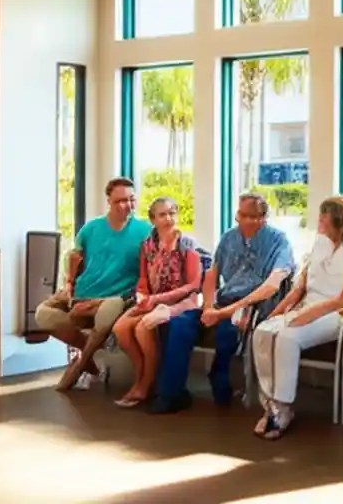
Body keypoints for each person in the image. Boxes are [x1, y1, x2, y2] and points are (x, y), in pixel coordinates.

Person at [149, 192, 294, 414]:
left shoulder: (278, 241)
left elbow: (272, 286)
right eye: (242, 215)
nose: (247, 221)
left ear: (264, 217)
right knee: (179, 324)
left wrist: (226, 312)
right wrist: (208, 306)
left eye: (254, 217)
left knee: (228, 328)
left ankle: (220, 379)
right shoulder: (229, 238)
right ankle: (172, 394)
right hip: (222, 301)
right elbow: (212, 274)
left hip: (252, 306)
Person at [251, 195, 343, 439]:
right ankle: (270, 405)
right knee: (263, 331)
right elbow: (298, 290)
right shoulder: (318, 248)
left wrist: (309, 314)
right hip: (308, 308)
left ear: (337, 222)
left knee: (288, 338)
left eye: (324, 218)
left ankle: (282, 408)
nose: (319, 221)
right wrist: (275, 314)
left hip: (338, 315)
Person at [35, 177, 152, 391]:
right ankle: (91, 363)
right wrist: (69, 285)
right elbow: (74, 257)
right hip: (82, 293)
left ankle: (79, 365)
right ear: (109, 201)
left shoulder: (145, 231)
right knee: (43, 314)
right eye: (121, 201)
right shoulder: (90, 229)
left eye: (131, 200)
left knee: (107, 311)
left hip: (117, 298)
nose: (128, 205)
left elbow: (149, 271)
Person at [112, 196, 204, 408]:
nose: (168, 218)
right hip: (152, 300)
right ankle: (142, 374)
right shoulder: (147, 246)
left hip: (178, 302)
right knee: (120, 328)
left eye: (172, 213)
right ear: (153, 219)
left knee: (143, 328)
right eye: (162, 214)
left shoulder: (187, 244)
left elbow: (193, 285)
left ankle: (144, 385)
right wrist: (142, 296)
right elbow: (143, 279)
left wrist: (157, 299)